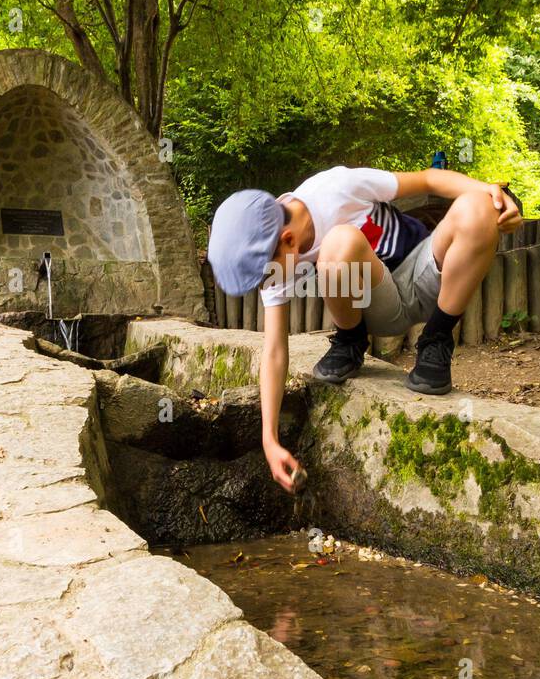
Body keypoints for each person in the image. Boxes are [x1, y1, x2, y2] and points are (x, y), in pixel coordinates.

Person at [207, 164, 523, 491]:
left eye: (264, 277)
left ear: (288, 240)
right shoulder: (276, 255)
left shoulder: (337, 187)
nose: (266, 285)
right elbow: (274, 350)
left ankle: (436, 341)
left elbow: (428, 179)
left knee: (478, 205)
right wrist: (269, 440)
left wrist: (494, 195)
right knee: (338, 245)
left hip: (431, 277)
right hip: (376, 306)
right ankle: (351, 342)